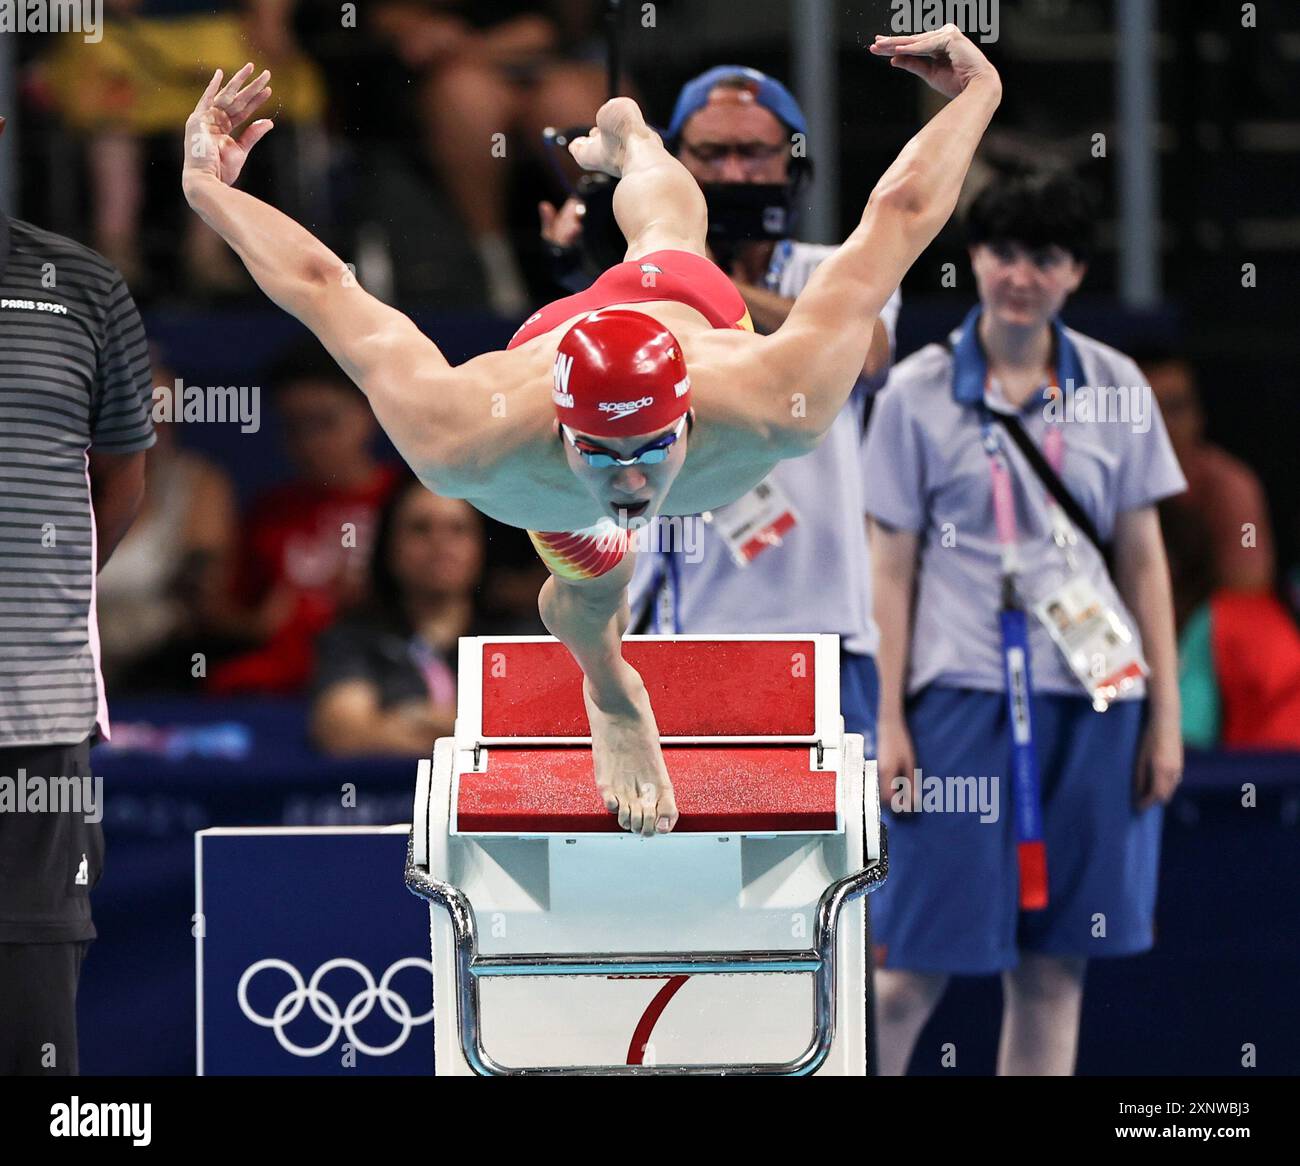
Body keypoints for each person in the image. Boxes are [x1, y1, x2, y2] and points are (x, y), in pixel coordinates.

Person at [180, 25, 1003, 835]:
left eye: (650, 448)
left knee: (672, 239)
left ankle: (633, 137)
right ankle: (612, 693)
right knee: (589, 586)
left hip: (686, 313)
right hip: (551, 351)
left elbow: (896, 219)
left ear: (686, 413)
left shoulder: (771, 397)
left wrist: (980, 92)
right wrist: (209, 190)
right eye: (602, 453)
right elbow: (327, 287)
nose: (631, 481)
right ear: (564, 433)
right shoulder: (465, 435)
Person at [862, 169, 1186, 1075]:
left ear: (1075, 272)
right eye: (1004, 253)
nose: (1020, 276)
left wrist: (1163, 717)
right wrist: (887, 718)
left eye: (1045, 258)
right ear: (974, 259)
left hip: (1098, 696)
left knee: (1055, 970)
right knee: (907, 974)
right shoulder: (917, 393)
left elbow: (1143, 557)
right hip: (960, 695)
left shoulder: (1117, 386)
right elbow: (888, 567)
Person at [542, 65, 901, 752]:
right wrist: (587, 268)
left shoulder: (836, 276)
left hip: (820, 634)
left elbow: (869, 349)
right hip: (666, 633)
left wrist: (683, 270)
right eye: (711, 154)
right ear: (677, 164)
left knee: (842, 858)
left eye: (754, 152)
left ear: (792, 160)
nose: (734, 173)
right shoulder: (638, 282)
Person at [0, 115, 155, 1075]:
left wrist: (32, 592)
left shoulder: (84, 285)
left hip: (35, 713)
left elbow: (119, 482)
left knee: (32, 1018)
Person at [205, 339, 402, 695]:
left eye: (324, 422)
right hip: (277, 688)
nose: (309, 442)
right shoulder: (269, 511)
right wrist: (256, 624)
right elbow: (225, 611)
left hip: (383, 679)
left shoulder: (409, 501)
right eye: (294, 426)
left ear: (369, 413)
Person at [311, 474, 529, 756]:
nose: (440, 544)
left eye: (458, 529)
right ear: (389, 546)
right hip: (387, 797)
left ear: (481, 547)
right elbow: (344, 733)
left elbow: (533, 730)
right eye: (420, 529)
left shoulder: (521, 636)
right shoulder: (351, 639)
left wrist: (412, 718)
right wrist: (471, 728)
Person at [95, 346, 241, 692]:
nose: (155, 436)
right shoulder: (60, 484)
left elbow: (202, 596)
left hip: (161, 668)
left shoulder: (200, 484)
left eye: (165, 420)